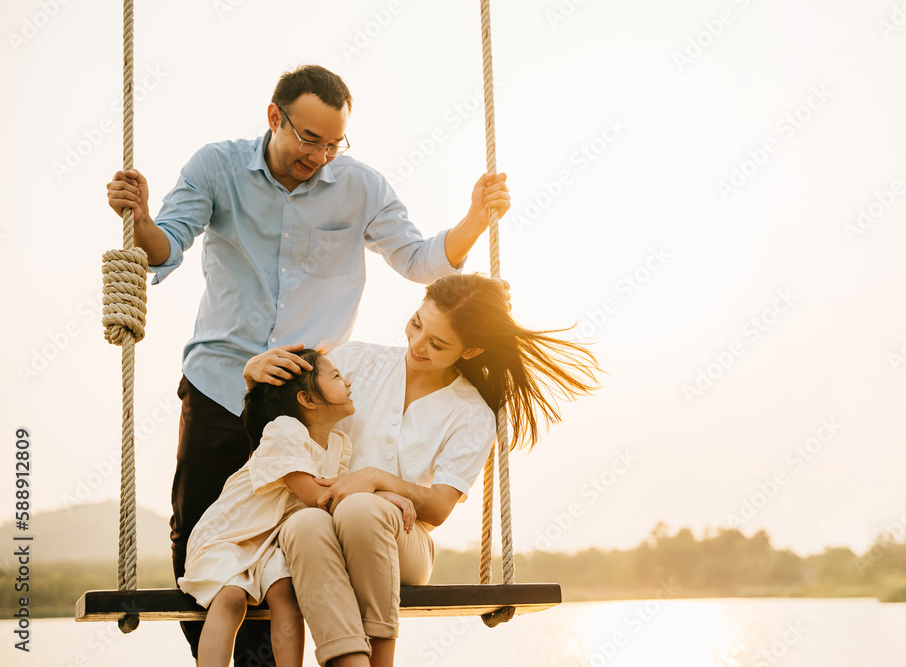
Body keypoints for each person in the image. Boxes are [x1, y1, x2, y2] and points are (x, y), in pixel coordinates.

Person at [104, 65, 510, 665]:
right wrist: (139, 224)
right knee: (201, 532)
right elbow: (165, 248)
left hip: (309, 401)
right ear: (275, 117)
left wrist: (476, 220)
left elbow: (422, 260)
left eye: (333, 143)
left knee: (293, 533)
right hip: (222, 383)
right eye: (308, 138)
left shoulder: (362, 187)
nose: (319, 155)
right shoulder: (215, 167)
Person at [244, 272, 601, 667]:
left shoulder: (471, 414)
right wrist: (253, 380)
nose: (416, 344)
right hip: (320, 524)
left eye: (438, 343)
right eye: (417, 324)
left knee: (360, 509)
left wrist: (378, 479)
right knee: (301, 525)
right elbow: (280, 433)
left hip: (403, 540)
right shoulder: (355, 362)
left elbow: (438, 509)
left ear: (469, 351)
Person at [178, 348, 417, 667]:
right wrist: (386, 494)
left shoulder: (337, 445)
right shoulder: (284, 432)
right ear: (308, 399)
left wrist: (383, 494)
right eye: (335, 376)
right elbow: (317, 496)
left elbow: (345, 491)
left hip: (270, 542)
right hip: (233, 537)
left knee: (287, 597)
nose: (347, 382)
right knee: (232, 600)